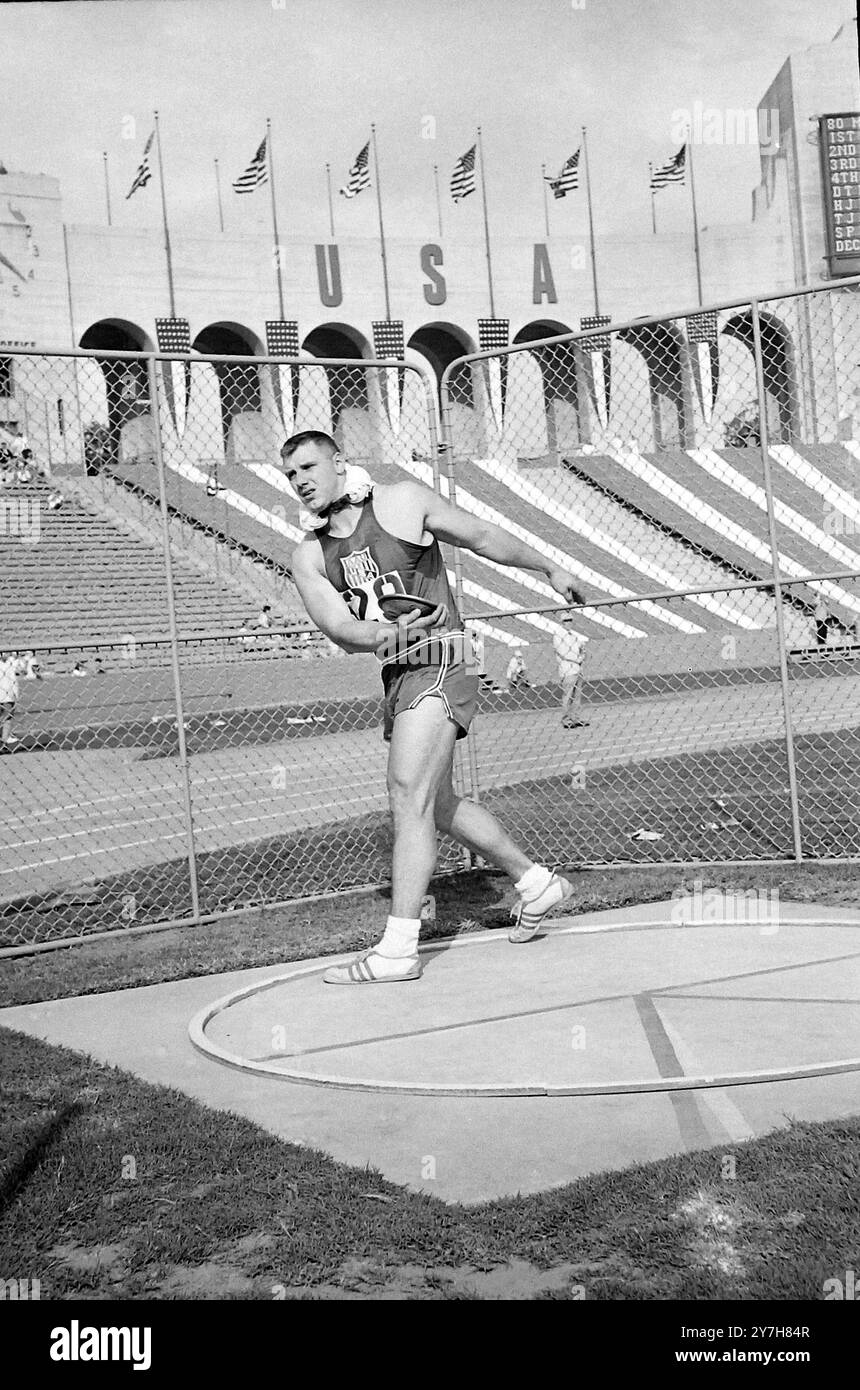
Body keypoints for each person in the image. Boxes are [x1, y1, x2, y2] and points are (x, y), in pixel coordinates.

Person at [286, 430, 585, 984]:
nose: (301, 481)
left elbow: (481, 535)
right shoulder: (308, 555)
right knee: (437, 801)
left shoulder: (401, 501)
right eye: (291, 474)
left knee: (407, 793)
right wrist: (382, 633)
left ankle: (398, 949)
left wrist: (549, 568)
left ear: (339, 464)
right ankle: (535, 882)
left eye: (309, 467)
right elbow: (339, 627)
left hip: (444, 658)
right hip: (400, 672)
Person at [553, 612, 588, 729]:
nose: (569, 623)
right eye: (566, 621)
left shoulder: (573, 635)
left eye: (570, 620)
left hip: (577, 669)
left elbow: (581, 647)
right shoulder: (558, 635)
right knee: (567, 695)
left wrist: (582, 653)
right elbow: (563, 652)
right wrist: (578, 658)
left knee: (577, 696)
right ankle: (566, 719)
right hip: (567, 669)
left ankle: (575, 718)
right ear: (562, 622)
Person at [0, 651, 23, 748]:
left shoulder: (10, 664)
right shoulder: (8, 665)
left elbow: (14, 679)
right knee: (6, 717)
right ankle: (4, 738)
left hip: (8, 696)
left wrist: (15, 694)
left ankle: (4, 738)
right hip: (5, 695)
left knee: (8, 717)